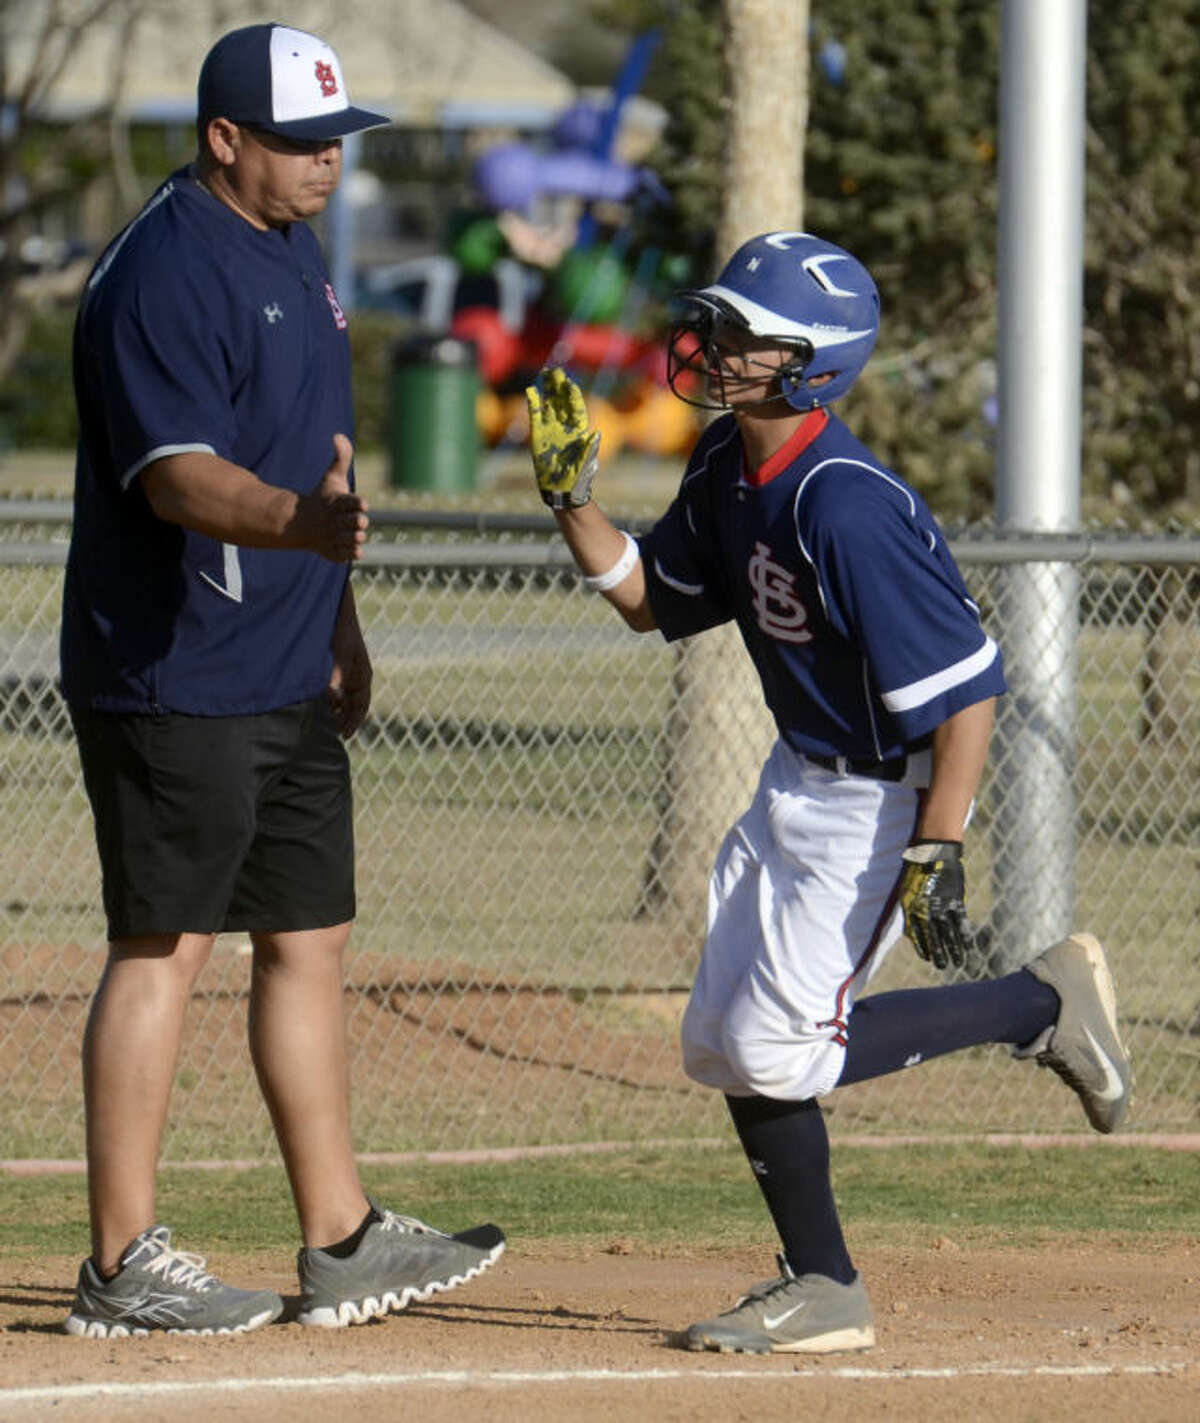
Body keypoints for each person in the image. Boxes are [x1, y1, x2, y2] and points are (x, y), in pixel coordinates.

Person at [526, 231, 1131, 1355]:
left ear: (814, 365)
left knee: (780, 1048)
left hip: (879, 800)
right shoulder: (724, 462)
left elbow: (967, 693)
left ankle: (1021, 1027)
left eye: (749, 337)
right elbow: (654, 601)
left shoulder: (842, 502)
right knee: (721, 1039)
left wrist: (938, 845)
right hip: (794, 779)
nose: (716, 346)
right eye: (720, 322)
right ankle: (830, 1262)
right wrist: (573, 501)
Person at [60, 22, 504, 1337]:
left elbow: (326, 455)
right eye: (302, 141)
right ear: (225, 139)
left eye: (337, 139)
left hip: (285, 668)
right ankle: (121, 1261)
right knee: (164, 945)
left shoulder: (297, 251)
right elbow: (176, 475)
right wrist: (302, 532)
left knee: (307, 940)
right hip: (176, 667)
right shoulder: (164, 270)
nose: (327, 162)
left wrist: (341, 613)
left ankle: (343, 1236)